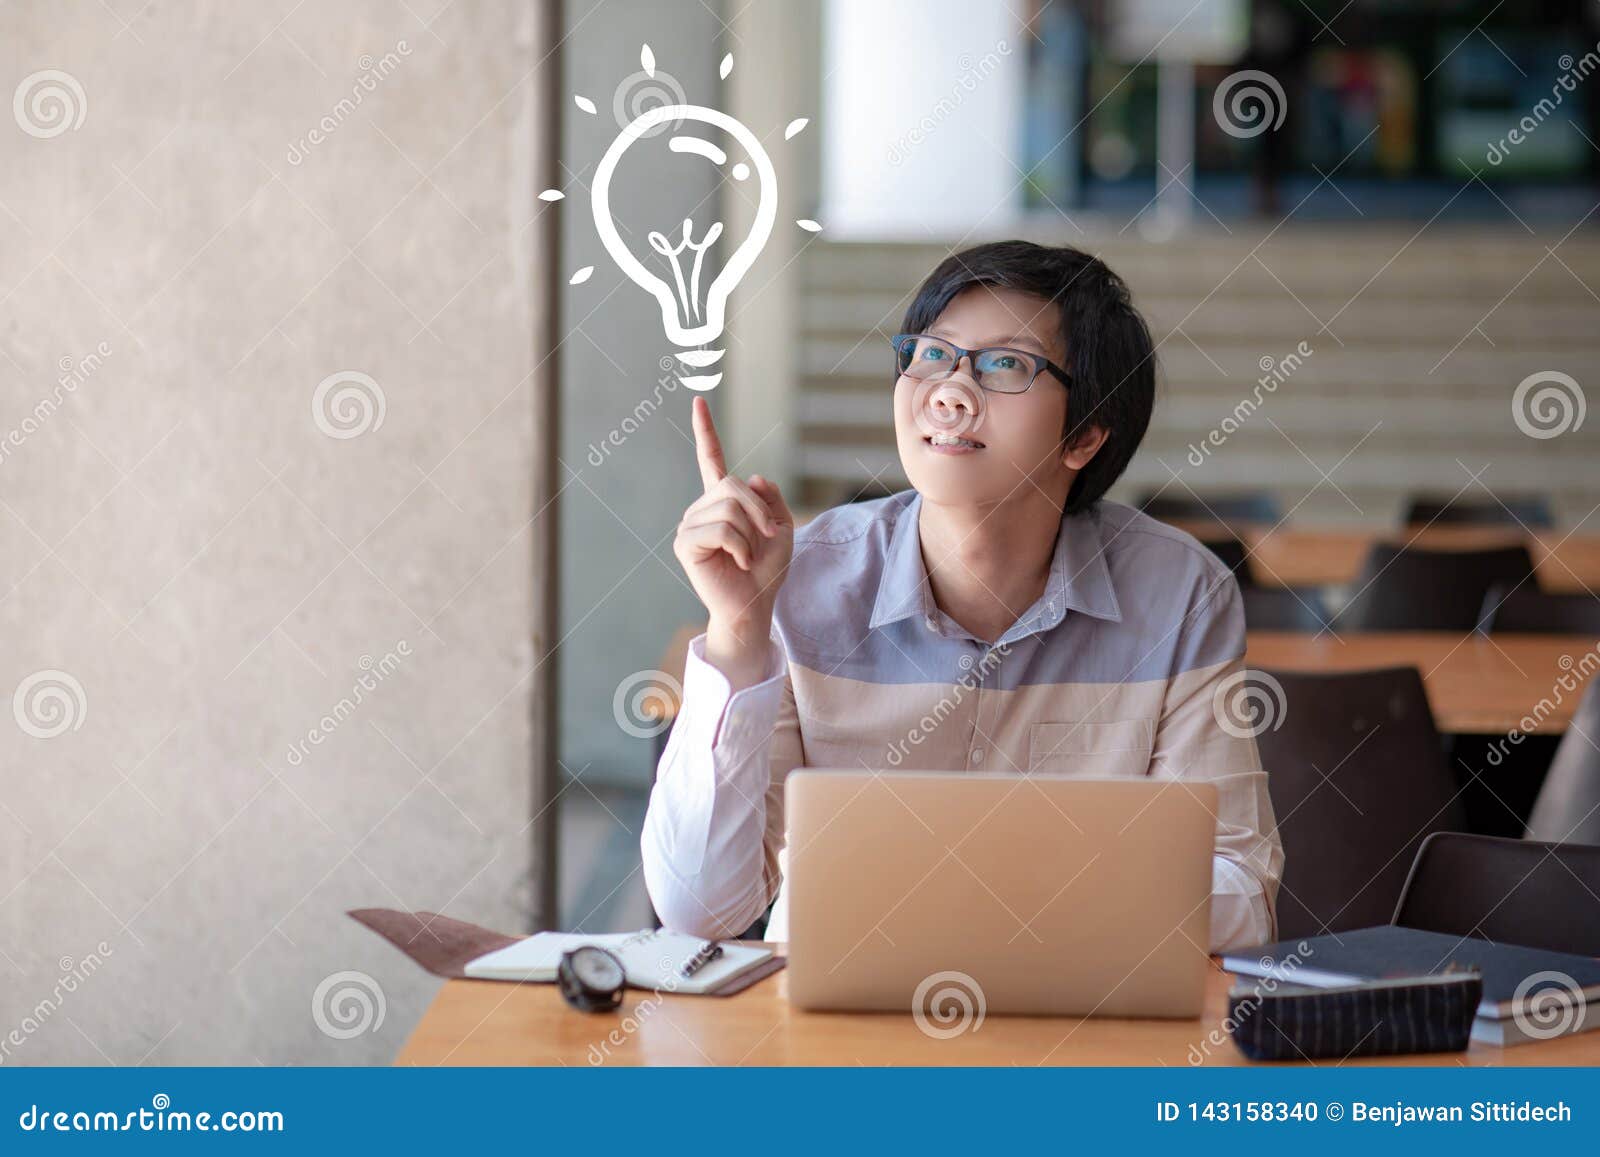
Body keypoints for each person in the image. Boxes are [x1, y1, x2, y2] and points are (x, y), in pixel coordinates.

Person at [641, 240, 1283, 952]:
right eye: (931, 354)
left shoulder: (1180, 596)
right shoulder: (803, 579)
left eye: (1005, 364)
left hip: (1077, 1042)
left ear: (1086, 434)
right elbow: (699, 909)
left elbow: (1241, 894)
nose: (948, 392)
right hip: (839, 1048)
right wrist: (737, 629)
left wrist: (994, 901)